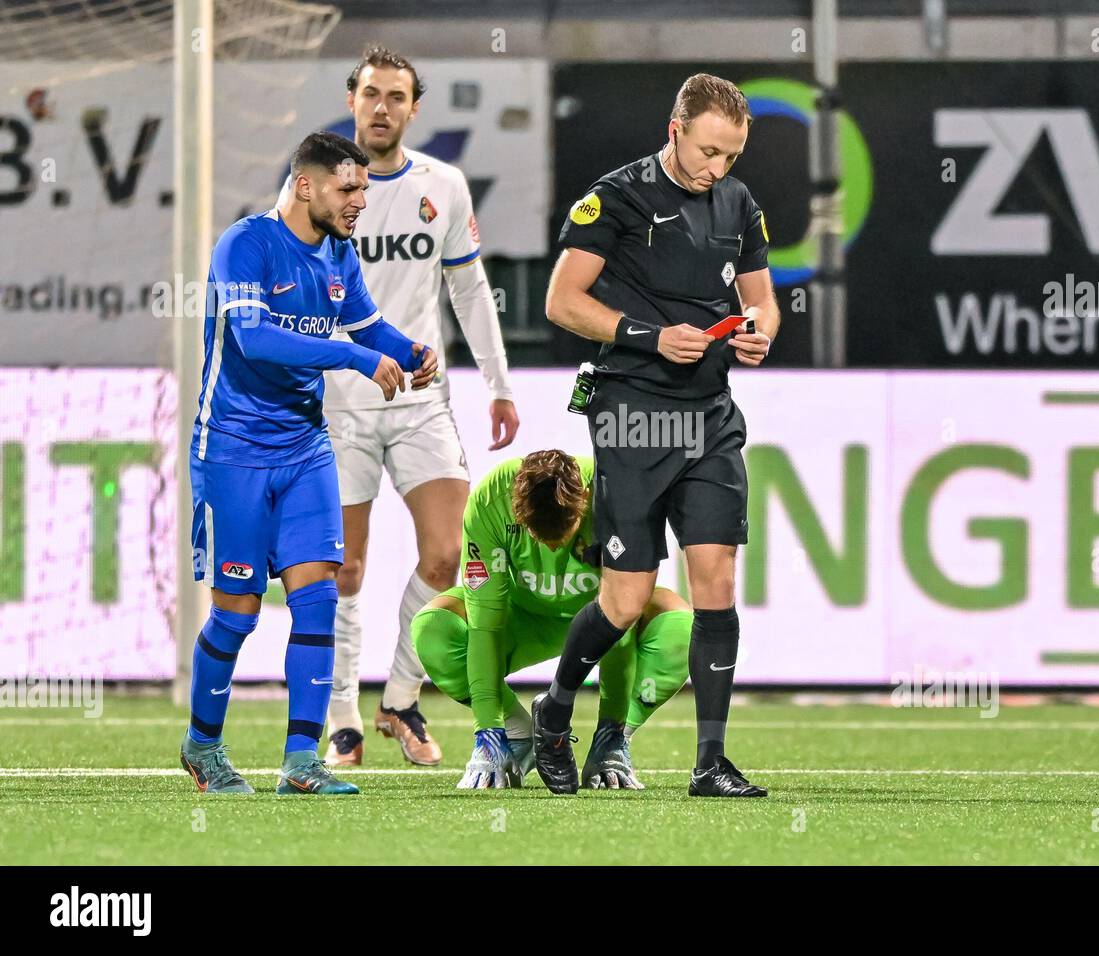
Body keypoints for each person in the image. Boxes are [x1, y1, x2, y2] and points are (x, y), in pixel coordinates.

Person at [531, 74, 779, 797]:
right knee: (626, 600)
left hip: (709, 416)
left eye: (731, 155)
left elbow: (761, 300)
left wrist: (761, 332)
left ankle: (710, 762)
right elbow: (561, 301)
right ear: (675, 130)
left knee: (717, 580)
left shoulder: (738, 203)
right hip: (633, 412)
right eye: (707, 151)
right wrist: (648, 336)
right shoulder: (617, 196)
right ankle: (554, 708)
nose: (718, 169)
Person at [181, 131, 437, 796]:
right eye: (347, 189)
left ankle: (301, 760)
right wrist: (357, 361)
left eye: (364, 190)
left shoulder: (339, 254)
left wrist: (409, 349)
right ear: (306, 185)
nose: (360, 201)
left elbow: (367, 327)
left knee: (318, 602)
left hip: (304, 448)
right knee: (236, 613)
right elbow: (254, 338)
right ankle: (203, 747)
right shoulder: (247, 244)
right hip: (232, 449)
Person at [304, 47, 520, 767]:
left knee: (449, 551)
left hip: (422, 399)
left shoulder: (444, 185)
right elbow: (295, 286)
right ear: (353, 98)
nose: (382, 107)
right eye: (371, 94)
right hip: (340, 402)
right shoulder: (316, 187)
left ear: (413, 108)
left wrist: (499, 383)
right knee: (345, 569)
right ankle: (342, 719)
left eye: (396, 96)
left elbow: (467, 289)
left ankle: (399, 697)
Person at [409, 450, 693, 789]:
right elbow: (486, 624)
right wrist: (488, 731)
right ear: (516, 509)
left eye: (567, 533)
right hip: (524, 619)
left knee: (683, 628)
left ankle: (614, 743)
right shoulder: (489, 502)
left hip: (604, 619)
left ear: (584, 502)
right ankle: (517, 734)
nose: (552, 546)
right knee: (432, 629)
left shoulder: (618, 496)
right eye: (534, 533)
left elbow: (623, 617)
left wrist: (612, 728)